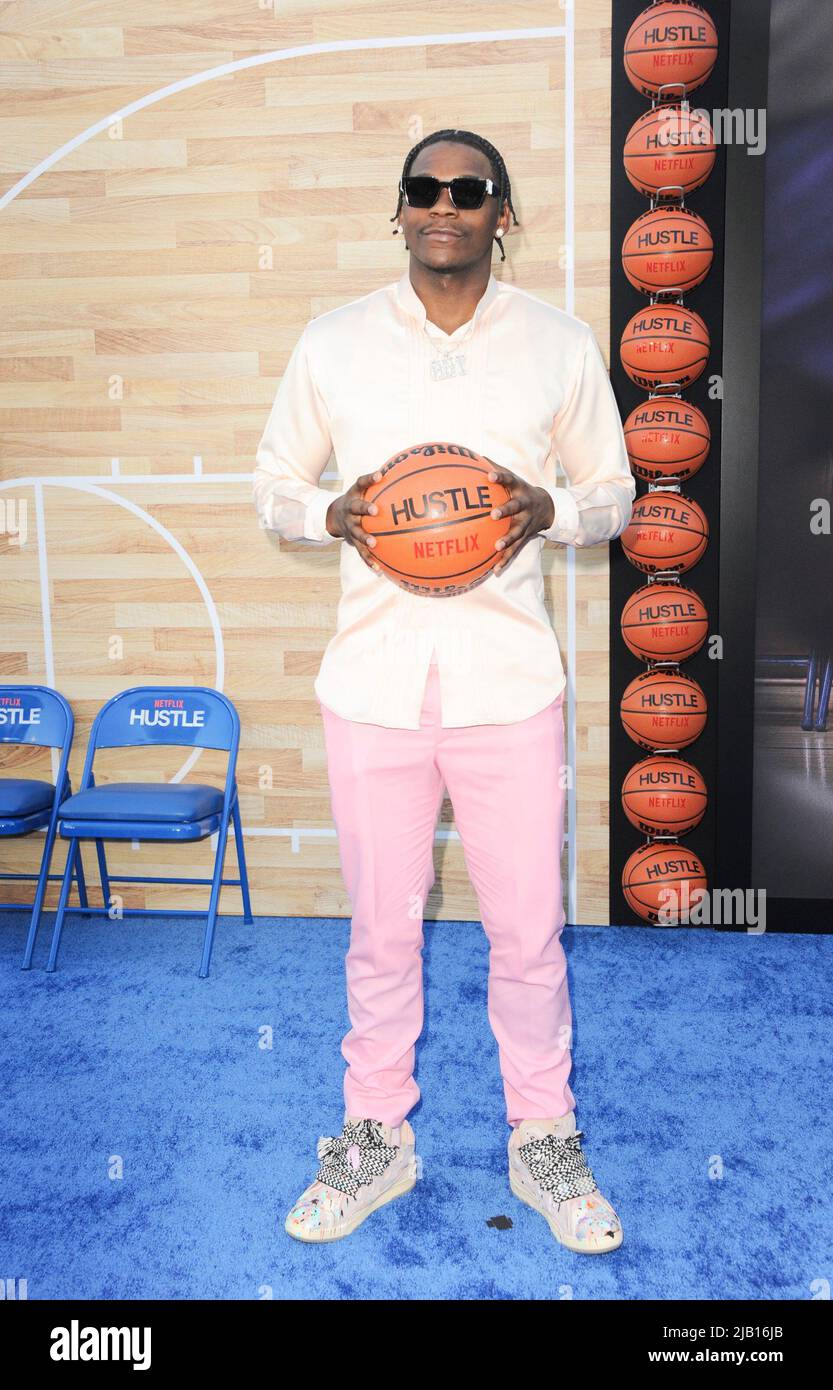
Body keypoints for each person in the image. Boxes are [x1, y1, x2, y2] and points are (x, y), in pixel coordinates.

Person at [252, 128, 635, 1252]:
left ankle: (543, 1136)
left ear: (500, 215)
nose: (444, 205)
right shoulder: (332, 343)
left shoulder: (558, 346)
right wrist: (330, 513)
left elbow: (611, 490)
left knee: (525, 932)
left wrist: (545, 510)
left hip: (507, 683)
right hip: (370, 683)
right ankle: (375, 1135)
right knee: (380, 930)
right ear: (399, 210)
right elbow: (273, 484)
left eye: (468, 191)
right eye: (423, 189)